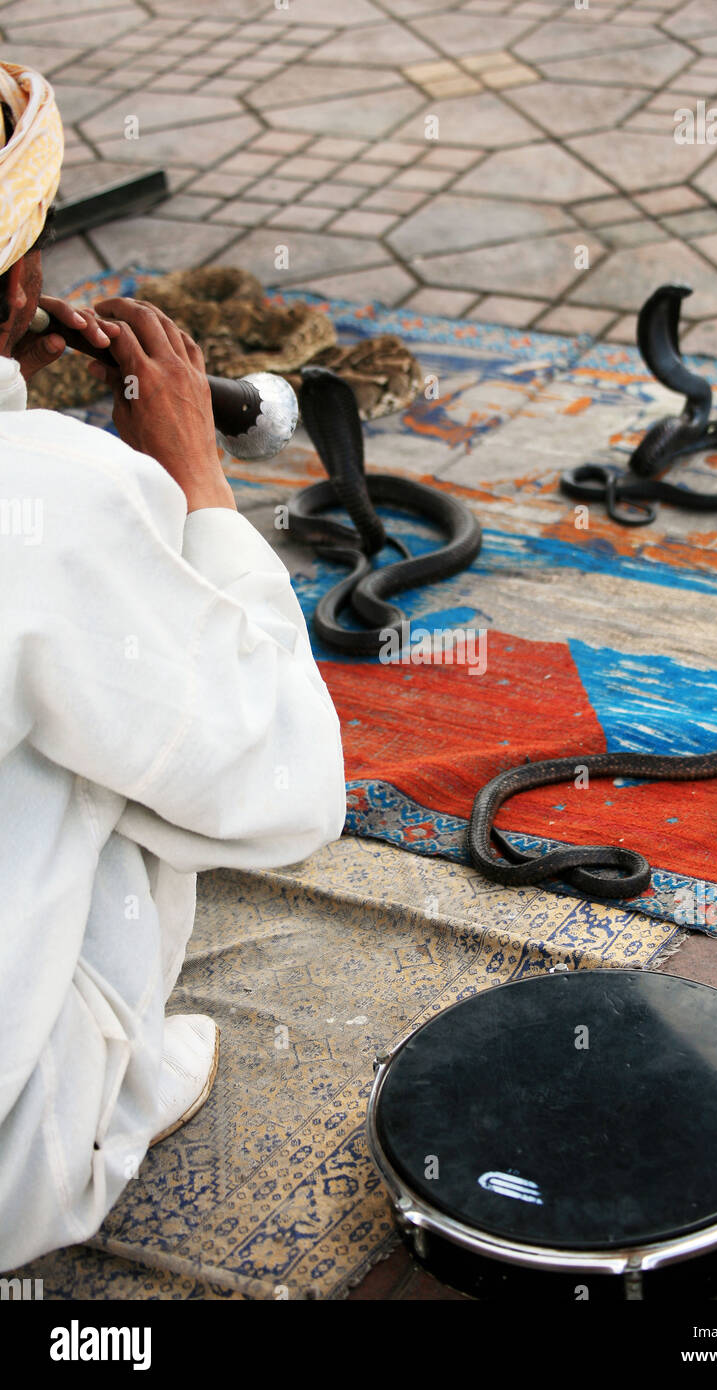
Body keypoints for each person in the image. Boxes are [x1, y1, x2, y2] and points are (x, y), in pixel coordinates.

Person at [0, 61, 346, 1270]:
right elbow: (289, 790)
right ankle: (108, 1082)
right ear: (21, 280)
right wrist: (194, 483)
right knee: (124, 736)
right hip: (11, 1170)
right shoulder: (49, 492)